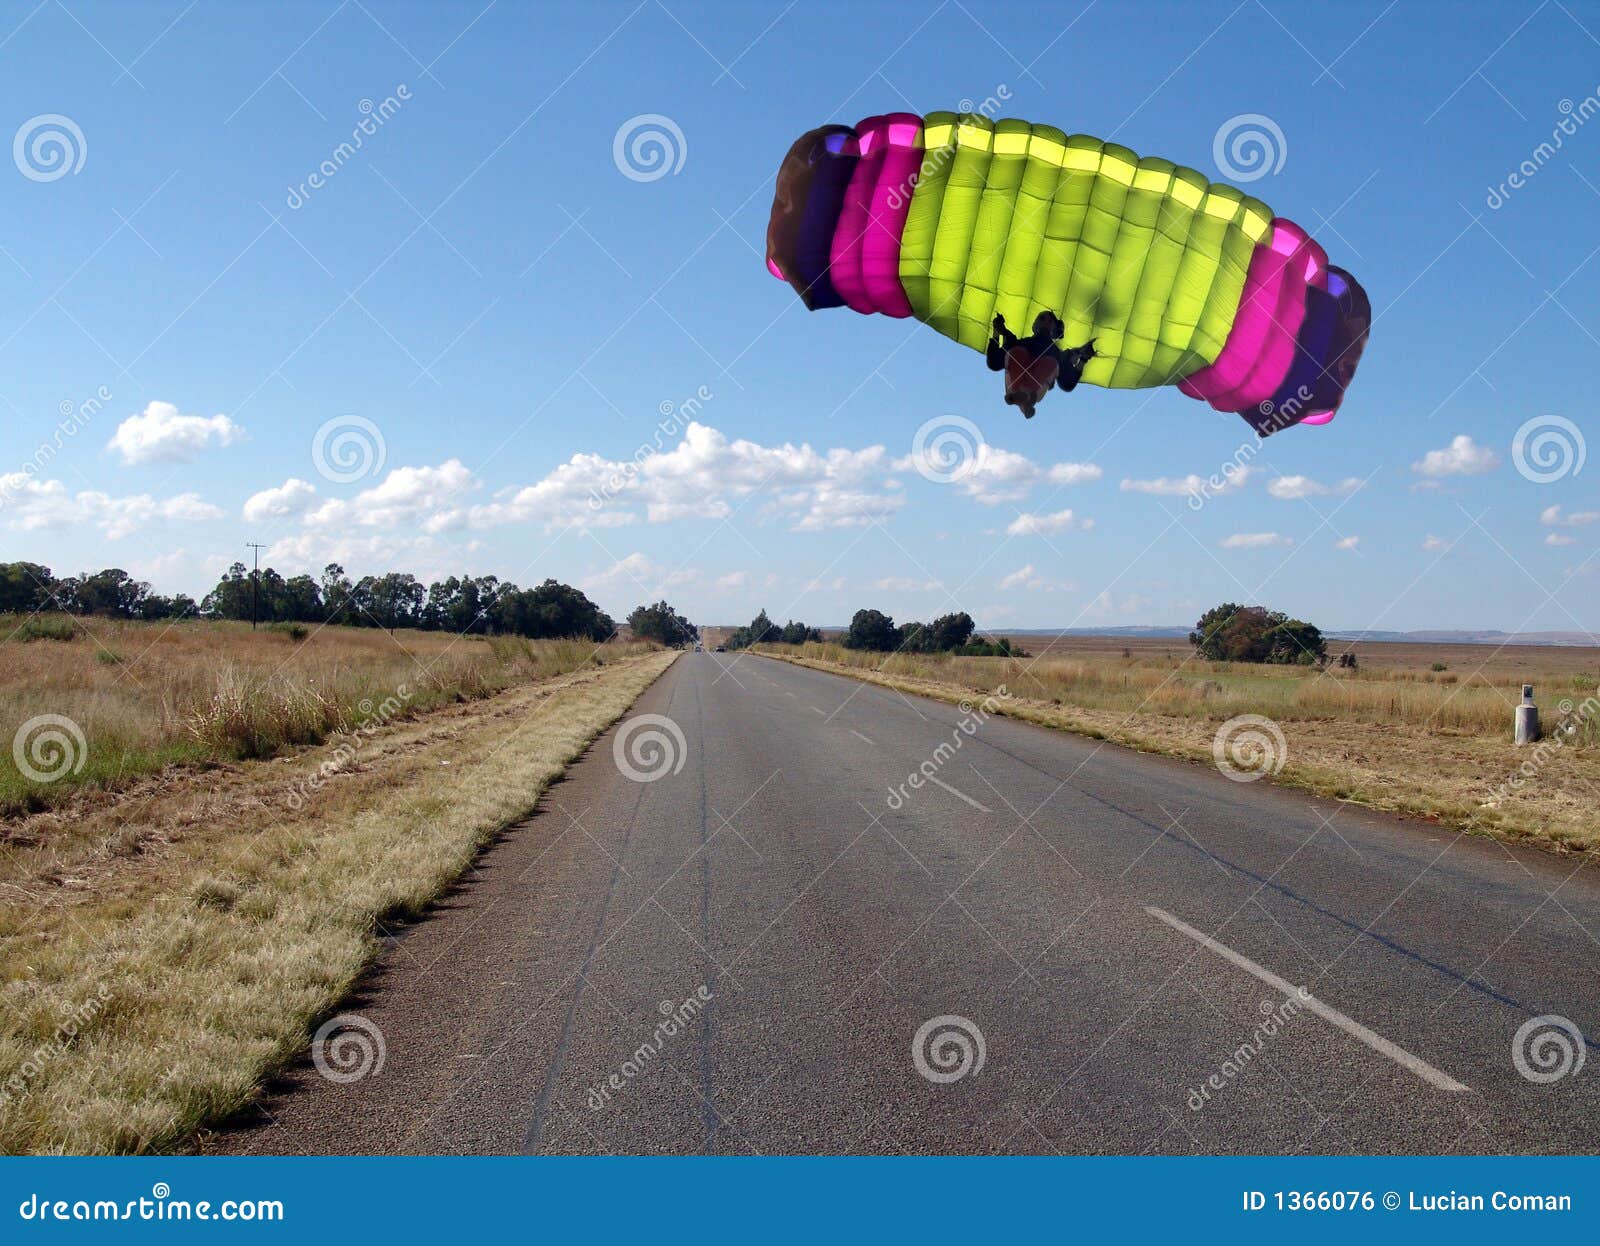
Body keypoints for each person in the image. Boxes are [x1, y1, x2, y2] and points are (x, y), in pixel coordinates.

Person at [986, 311, 1097, 418]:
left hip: (1033, 381)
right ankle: (1024, 397)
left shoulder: (1057, 355)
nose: (1045, 323)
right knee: (1017, 352)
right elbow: (994, 361)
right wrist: (998, 330)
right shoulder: (1020, 344)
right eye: (1042, 319)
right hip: (1020, 377)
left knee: (1050, 363)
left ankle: (1024, 396)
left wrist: (1083, 359)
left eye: (1049, 321)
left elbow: (1067, 383)